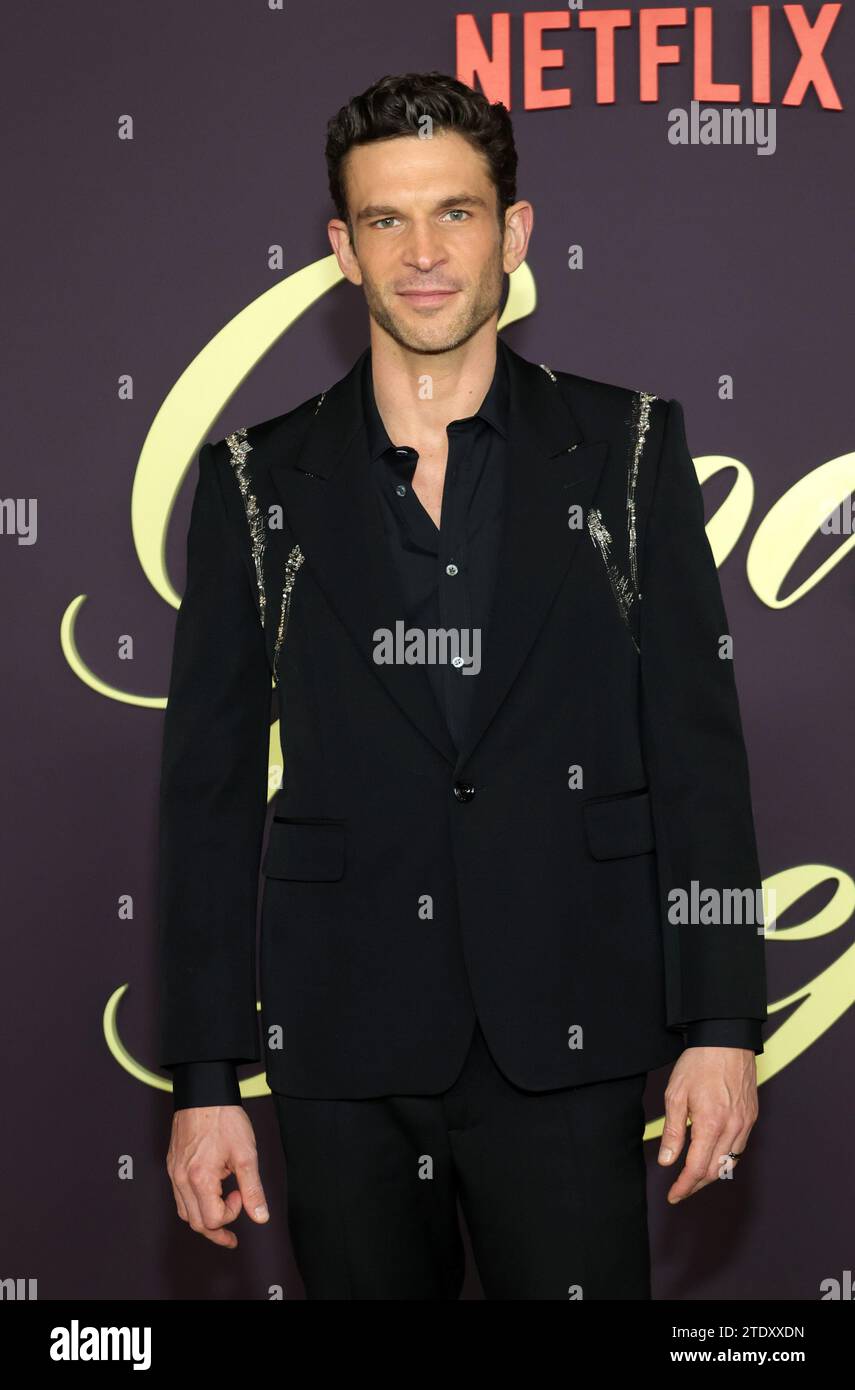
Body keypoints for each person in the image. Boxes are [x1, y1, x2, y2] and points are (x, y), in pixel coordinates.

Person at [158, 71, 767, 1299]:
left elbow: (698, 759)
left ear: (516, 232)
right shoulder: (250, 483)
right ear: (341, 250)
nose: (423, 254)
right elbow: (208, 802)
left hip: (572, 1032)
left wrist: (722, 1026)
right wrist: (207, 1081)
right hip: (342, 1050)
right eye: (387, 220)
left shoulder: (632, 448)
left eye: (457, 214)